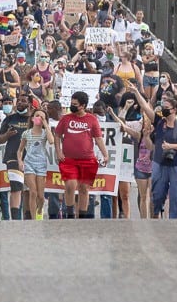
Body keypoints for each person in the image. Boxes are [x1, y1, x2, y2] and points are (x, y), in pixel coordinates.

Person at [132, 90, 177, 219]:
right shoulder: (159, 122)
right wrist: (136, 92)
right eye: (162, 108)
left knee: (176, 196)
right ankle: (157, 221)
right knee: (157, 195)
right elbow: (145, 106)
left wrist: (171, 146)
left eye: (166, 108)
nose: (164, 110)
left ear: (173, 110)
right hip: (159, 164)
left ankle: (174, 223)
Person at [53, 91, 109, 220]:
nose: (72, 106)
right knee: (70, 185)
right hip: (68, 160)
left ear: (83, 105)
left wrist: (105, 155)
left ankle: (82, 216)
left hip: (88, 159)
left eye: (75, 104)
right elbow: (57, 135)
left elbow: (99, 138)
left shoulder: (92, 119)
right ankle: (70, 214)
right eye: (71, 104)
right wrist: (58, 151)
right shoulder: (66, 118)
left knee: (84, 188)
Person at [17, 107, 53, 220]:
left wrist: (46, 125)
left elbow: (51, 141)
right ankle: (33, 219)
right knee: (33, 192)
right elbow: (20, 149)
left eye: (42, 117)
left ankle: (39, 209)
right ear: (32, 118)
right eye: (37, 115)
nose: (39, 118)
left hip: (41, 164)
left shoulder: (44, 133)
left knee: (41, 196)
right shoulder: (26, 133)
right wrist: (20, 161)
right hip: (29, 164)